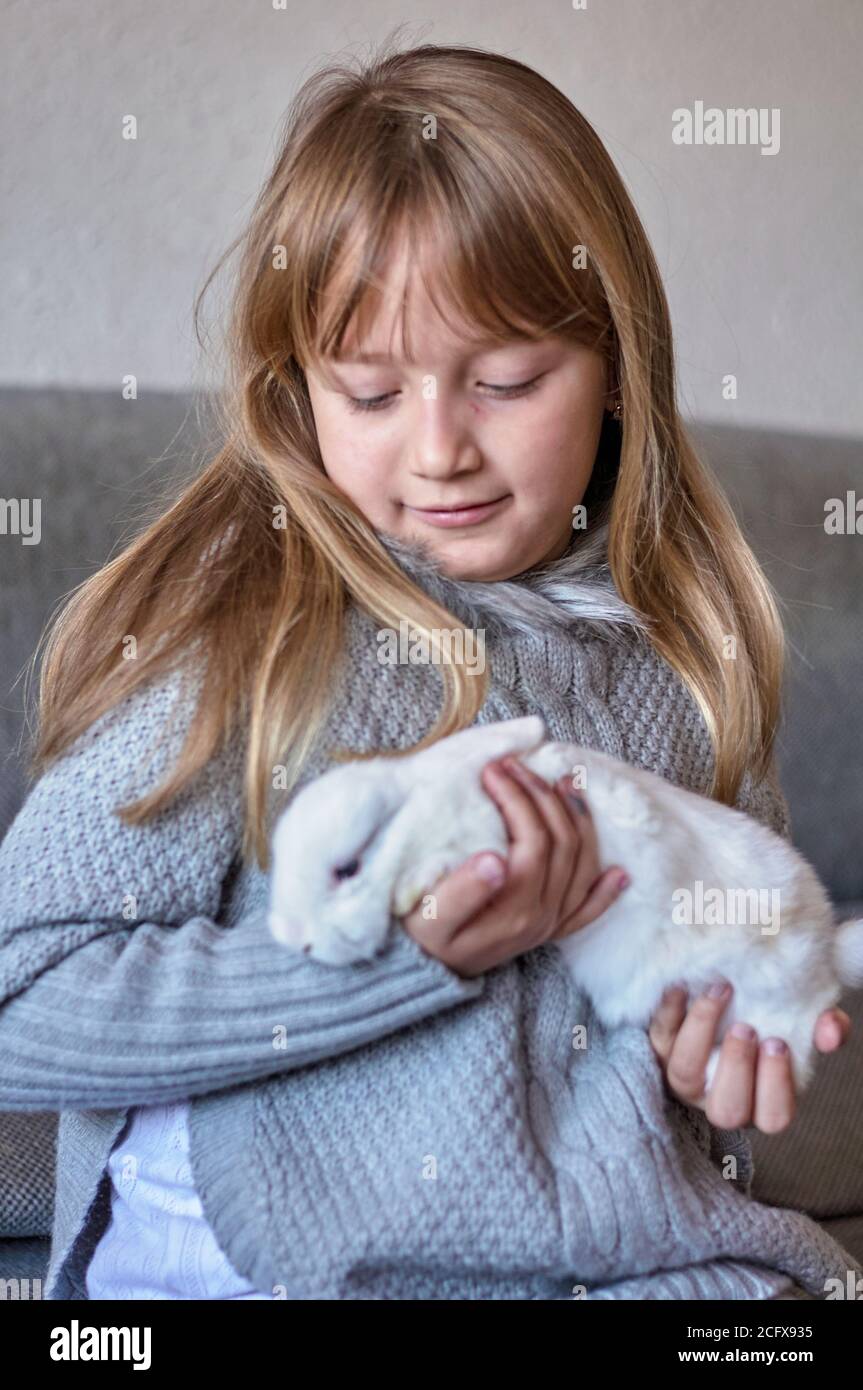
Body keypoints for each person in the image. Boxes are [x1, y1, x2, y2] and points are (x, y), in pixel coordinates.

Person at [0, 39, 855, 1301]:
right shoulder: (247, 641)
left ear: (617, 372)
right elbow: (21, 1005)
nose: (440, 447)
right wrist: (402, 956)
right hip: (277, 1263)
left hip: (595, 1255)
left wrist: (710, 1058)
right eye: (370, 393)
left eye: (505, 381)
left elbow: (691, 1075)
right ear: (298, 396)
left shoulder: (682, 668)